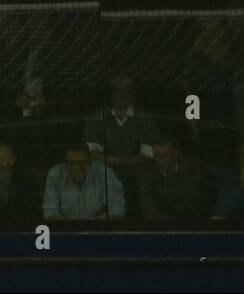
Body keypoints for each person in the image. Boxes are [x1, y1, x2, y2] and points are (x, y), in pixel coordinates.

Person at [83, 71, 160, 213]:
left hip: (138, 171)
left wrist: (114, 160)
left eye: (125, 89)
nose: (121, 93)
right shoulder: (99, 117)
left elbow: (147, 154)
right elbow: (91, 152)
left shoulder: (144, 117)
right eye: (117, 89)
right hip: (108, 170)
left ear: (132, 92)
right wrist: (116, 163)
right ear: (111, 92)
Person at [43, 144, 126, 220]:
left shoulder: (105, 173)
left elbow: (117, 211)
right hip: (67, 231)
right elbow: (50, 214)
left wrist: (89, 225)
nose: (76, 168)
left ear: (90, 162)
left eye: (81, 163)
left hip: (99, 230)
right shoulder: (55, 175)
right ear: (65, 163)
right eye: (71, 163)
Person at [139, 140, 208, 220]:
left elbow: (196, 205)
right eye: (157, 156)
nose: (160, 160)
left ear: (175, 154)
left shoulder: (191, 169)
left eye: (164, 156)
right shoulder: (147, 172)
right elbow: (148, 211)